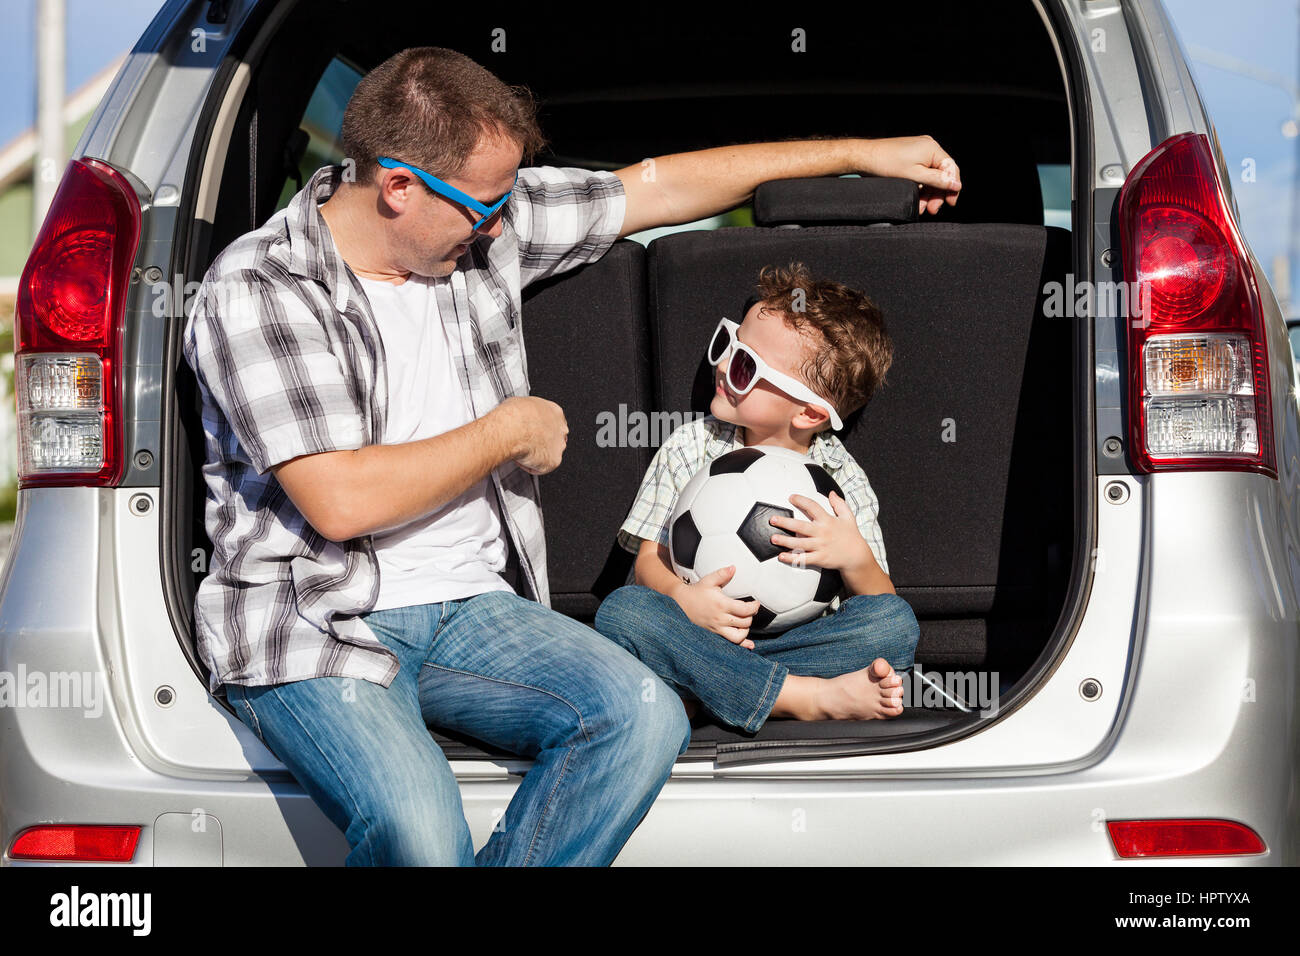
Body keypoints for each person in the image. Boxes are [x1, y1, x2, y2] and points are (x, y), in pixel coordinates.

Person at [182, 46, 959, 866]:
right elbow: (340, 501)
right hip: (313, 622)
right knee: (418, 832)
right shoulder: (260, 288)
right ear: (400, 188)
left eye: (509, 198)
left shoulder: (481, 230)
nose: (500, 222)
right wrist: (506, 432)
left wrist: (856, 154)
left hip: (475, 612)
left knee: (641, 716)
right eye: (485, 204)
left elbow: (657, 187)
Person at [594, 264, 921, 734]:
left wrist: (852, 556)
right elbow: (649, 562)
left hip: (796, 643)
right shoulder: (690, 448)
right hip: (692, 632)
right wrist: (682, 599)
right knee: (623, 612)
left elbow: (879, 601)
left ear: (809, 412)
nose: (724, 366)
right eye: (727, 344)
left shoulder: (842, 481)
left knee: (894, 626)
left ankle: (706, 687)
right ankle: (804, 698)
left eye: (747, 365)